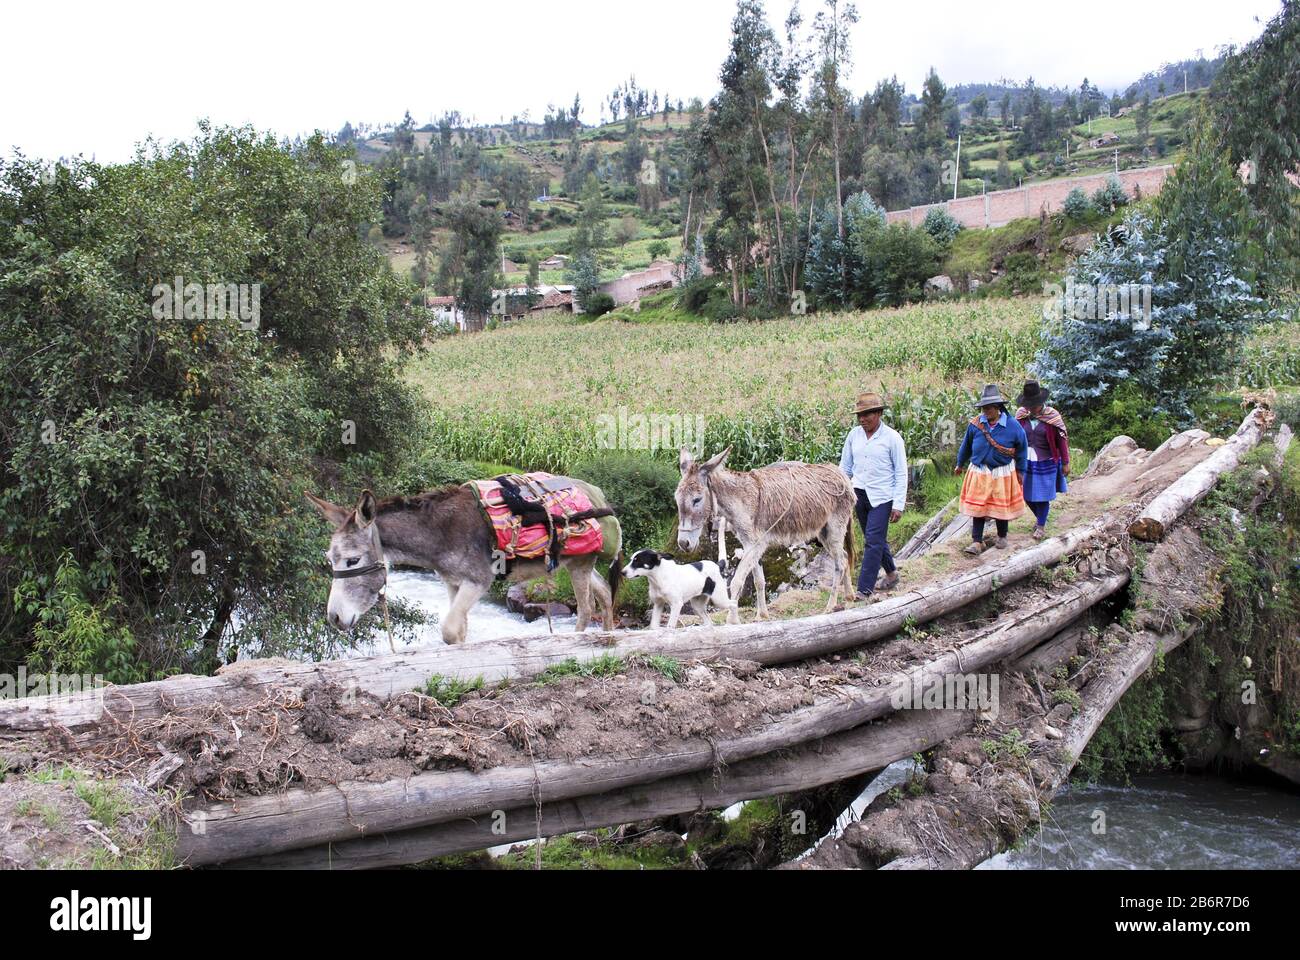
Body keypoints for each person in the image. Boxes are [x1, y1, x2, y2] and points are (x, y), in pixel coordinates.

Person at [840, 391, 908, 599]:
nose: (863, 419)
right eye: (860, 415)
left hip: (882, 497)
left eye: (867, 415)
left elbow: (901, 472)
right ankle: (892, 573)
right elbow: (846, 467)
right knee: (875, 538)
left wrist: (898, 504)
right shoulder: (854, 436)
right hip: (859, 494)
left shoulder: (892, 438)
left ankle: (864, 590)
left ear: (878, 413)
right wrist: (839, 490)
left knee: (872, 542)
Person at [954, 384, 1028, 556]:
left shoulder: (1013, 426)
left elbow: (1022, 449)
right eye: (983, 408)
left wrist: (1021, 470)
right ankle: (977, 541)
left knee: (1000, 506)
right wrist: (959, 463)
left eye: (988, 408)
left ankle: (1002, 536)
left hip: (1001, 472)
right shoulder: (976, 424)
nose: (985, 411)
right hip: (980, 470)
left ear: (998, 408)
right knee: (979, 507)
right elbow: (966, 446)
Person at [1014, 380, 1070, 541]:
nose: (1030, 408)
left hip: (1047, 460)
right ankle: (1041, 517)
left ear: (1041, 402)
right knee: (1026, 494)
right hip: (1026, 461)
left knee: (1043, 495)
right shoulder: (1021, 415)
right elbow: (1015, 437)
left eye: (1033, 405)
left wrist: (1065, 462)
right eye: (1028, 405)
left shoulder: (1052, 417)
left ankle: (1040, 526)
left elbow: (1062, 441)